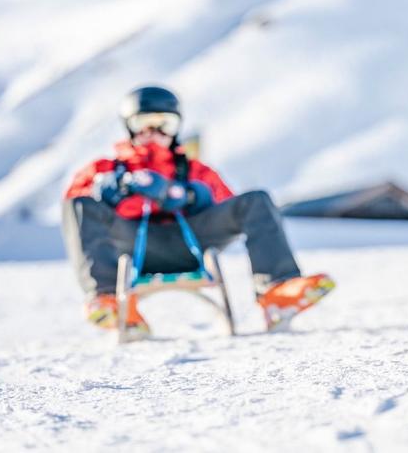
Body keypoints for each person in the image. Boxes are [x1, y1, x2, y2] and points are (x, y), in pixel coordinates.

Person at [62, 86, 334, 338]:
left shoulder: (194, 170)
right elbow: (75, 202)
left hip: (191, 242)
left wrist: (191, 195)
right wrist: (114, 187)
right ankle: (111, 303)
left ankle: (279, 294)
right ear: (130, 128)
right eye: (143, 124)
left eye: (163, 124)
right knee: (79, 205)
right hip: (133, 246)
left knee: (256, 200)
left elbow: (225, 203)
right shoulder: (106, 168)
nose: (153, 132)